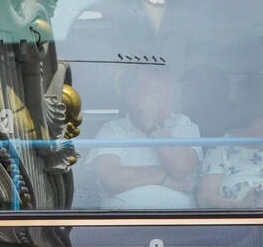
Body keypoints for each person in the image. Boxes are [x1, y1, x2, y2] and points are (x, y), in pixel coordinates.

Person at [86, 70, 200, 211]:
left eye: (166, 91)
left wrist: (151, 128)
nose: (164, 98)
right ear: (132, 97)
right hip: (120, 221)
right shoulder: (112, 129)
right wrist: (160, 176)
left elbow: (180, 167)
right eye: (156, 91)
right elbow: (111, 180)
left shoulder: (183, 124)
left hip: (180, 221)